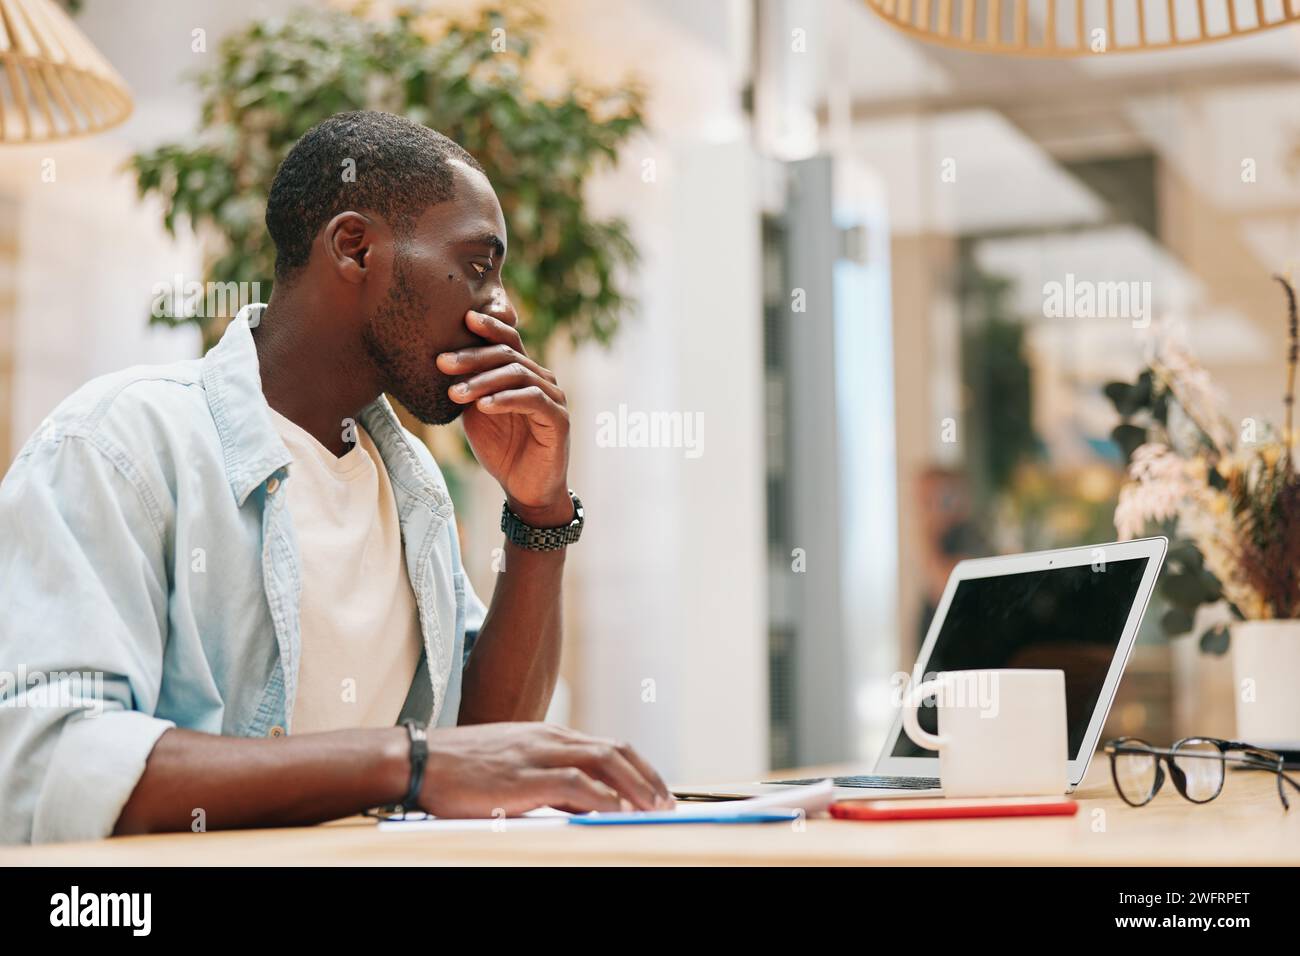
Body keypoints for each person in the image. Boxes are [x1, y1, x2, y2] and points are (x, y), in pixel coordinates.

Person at [0, 110, 671, 844]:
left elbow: (480, 746)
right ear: (354, 248)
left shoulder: (409, 482)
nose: (502, 306)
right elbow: (48, 765)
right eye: (479, 263)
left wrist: (540, 514)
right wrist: (403, 761)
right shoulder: (119, 443)